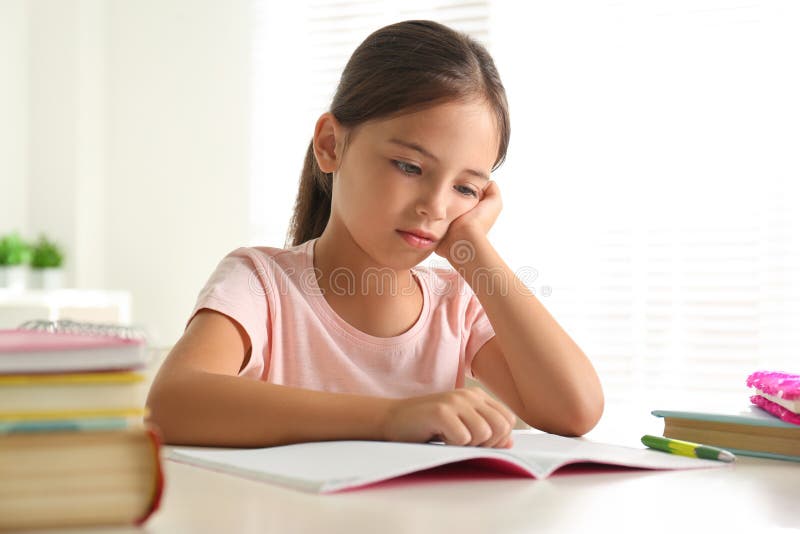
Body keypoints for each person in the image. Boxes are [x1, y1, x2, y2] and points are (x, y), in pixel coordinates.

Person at [146, 20, 603, 449]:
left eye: (465, 187)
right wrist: (389, 418)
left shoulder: (455, 305)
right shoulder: (260, 283)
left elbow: (575, 410)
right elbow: (172, 403)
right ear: (331, 144)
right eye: (409, 166)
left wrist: (473, 249)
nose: (436, 206)